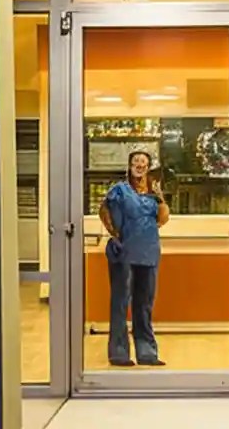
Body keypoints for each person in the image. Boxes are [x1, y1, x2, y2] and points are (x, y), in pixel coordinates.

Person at [99, 150, 170, 367]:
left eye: (144, 163)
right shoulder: (119, 190)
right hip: (125, 253)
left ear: (148, 167)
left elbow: (163, 219)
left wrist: (159, 196)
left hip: (148, 253)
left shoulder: (152, 194)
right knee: (121, 303)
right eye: (136, 161)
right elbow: (104, 211)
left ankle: (147, 351)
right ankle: (119, 353)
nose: (140, 165)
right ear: (129, 165)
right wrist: (115, 233)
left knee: (144, 303)